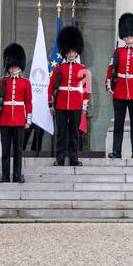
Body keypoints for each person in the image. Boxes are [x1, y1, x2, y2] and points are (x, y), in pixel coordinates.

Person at [106, 13, 133, 160]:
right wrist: (109, 86)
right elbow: (110, 69)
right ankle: (116, 151)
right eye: (126, 35)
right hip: (119, 91)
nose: (128, 38)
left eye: (130, 35)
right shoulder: (118, 52)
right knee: (118, 123)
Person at [49, 25, 89, 166]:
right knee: (61, 133)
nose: (71, 54)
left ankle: (73, 158)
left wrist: (84, 107)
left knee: (74, 134)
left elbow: (86, 90)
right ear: (65, 52)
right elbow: (51, 87)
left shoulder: (82, 69)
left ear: (77, 52)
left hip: (76, 104)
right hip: (61, 103)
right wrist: (51, 104)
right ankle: (59, 158)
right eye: (69, 51)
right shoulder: (59, 68)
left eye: (73, 51)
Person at [0, 43, 31, 184]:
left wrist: (28, 120)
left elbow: (28, 103)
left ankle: (18, 175)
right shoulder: (3, 82)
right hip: (5, 120)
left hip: (20, 120)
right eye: (12, 66)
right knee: (6, 150)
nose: (14, 69)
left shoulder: (26, 83)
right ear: (8, 67)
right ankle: (5, 175)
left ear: (20, 67)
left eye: (16, 66)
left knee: (18, 151)